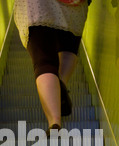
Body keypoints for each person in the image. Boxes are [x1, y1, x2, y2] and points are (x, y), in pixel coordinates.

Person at [13, 0, 91, 136]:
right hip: (73, 6)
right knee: (68, 47)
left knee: (44, 61)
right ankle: (60, 84)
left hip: (36, 6)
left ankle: (54, 121)